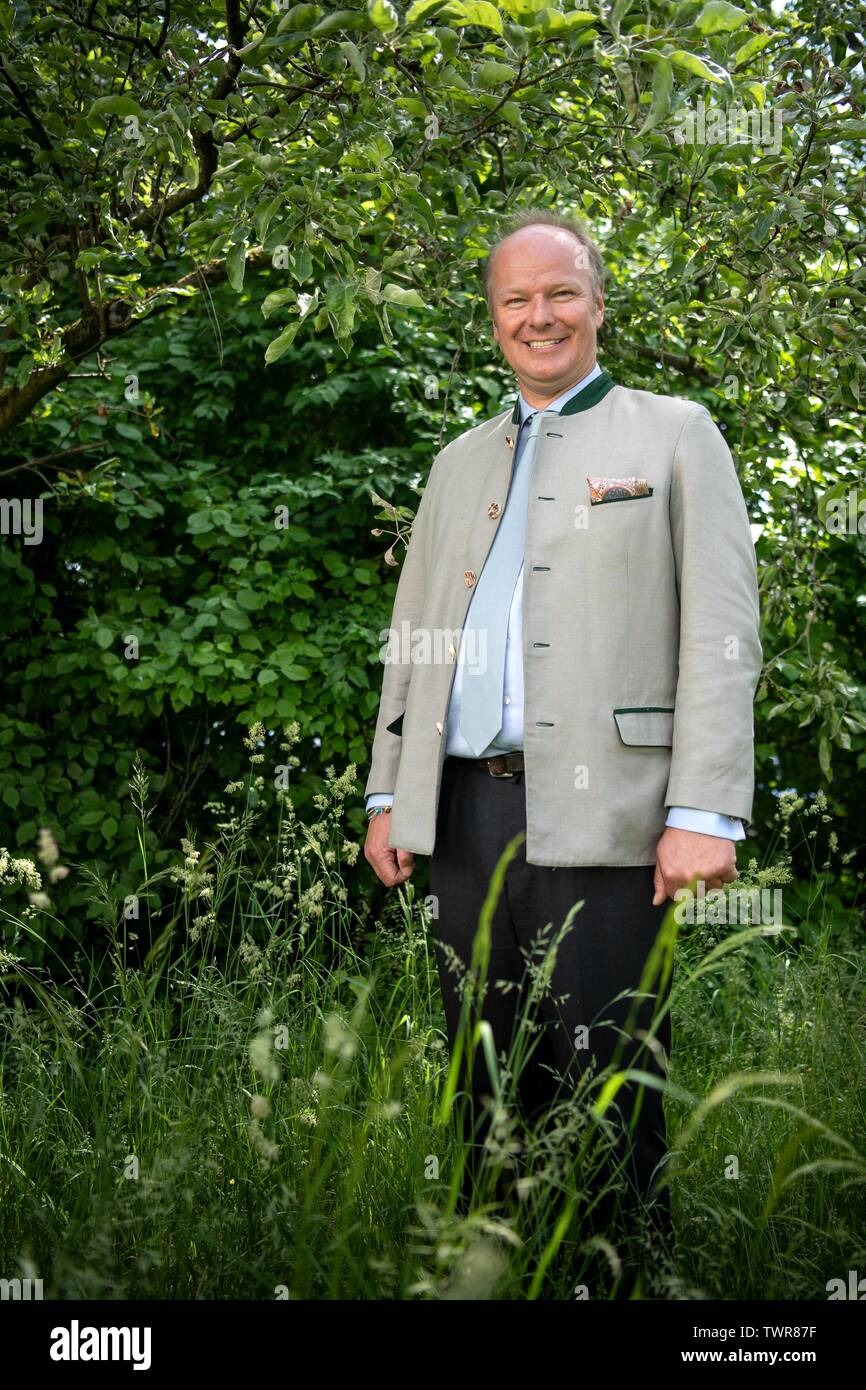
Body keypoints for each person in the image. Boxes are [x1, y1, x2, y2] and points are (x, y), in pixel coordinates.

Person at [363, 209, 762, 1288]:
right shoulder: (454, 463)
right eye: (514, 300)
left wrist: (705, 809)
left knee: (612, 1091)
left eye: (560, 294)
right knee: (483, 1089)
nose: (538, 316)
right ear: (491, 318)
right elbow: (413, 639)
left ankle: (625, 1280)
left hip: (620, 818)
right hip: (464, 812)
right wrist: (383, 792)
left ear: (596, 304)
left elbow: (720, 635)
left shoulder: (675, 434)